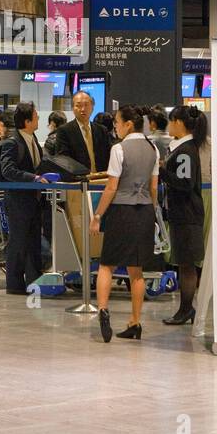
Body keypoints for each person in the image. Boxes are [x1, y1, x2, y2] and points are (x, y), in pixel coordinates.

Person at [90, 105, 159, 343]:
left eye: (117, 123)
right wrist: (153, 212)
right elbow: (153, 187)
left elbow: (111, 187)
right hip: (145, 211)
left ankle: (102, 309)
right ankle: (135, 321)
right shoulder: (153, 149)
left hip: (121, 211)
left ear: (128, 124)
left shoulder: (118, 149)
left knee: (107, 264)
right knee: (136, 270)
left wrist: (98, 215)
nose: (115, 127)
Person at [0, 102, 51, 295]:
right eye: (36, 116)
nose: (38, 119)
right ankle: (14, 284)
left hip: (35, 200)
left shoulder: (32, 138)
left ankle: (33, 281)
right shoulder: (13, 142)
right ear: (27, 121)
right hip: (18, 200)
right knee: (18, 242)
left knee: (33, 241)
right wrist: (33, 178)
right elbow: (8, 170)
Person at [160, 105, 205, 326]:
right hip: (182, 214)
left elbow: (185, 183)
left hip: (187, 214)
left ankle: (186, 309)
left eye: (170, 121)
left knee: (187, 264)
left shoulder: (186, 150)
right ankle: (185, 308)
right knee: (184, 264)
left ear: (178, 122)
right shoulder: (183, 148)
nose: (168, 125)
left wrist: (162, 172)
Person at [52, 90, 111, 174]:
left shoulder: (102, 130)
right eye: (78, 105)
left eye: (86, 105)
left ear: (92, 107)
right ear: (72, 108)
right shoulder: (64, 131)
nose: (83, 109)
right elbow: (63, 160)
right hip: (78, 180)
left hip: (100, 179)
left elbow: (108, 156)